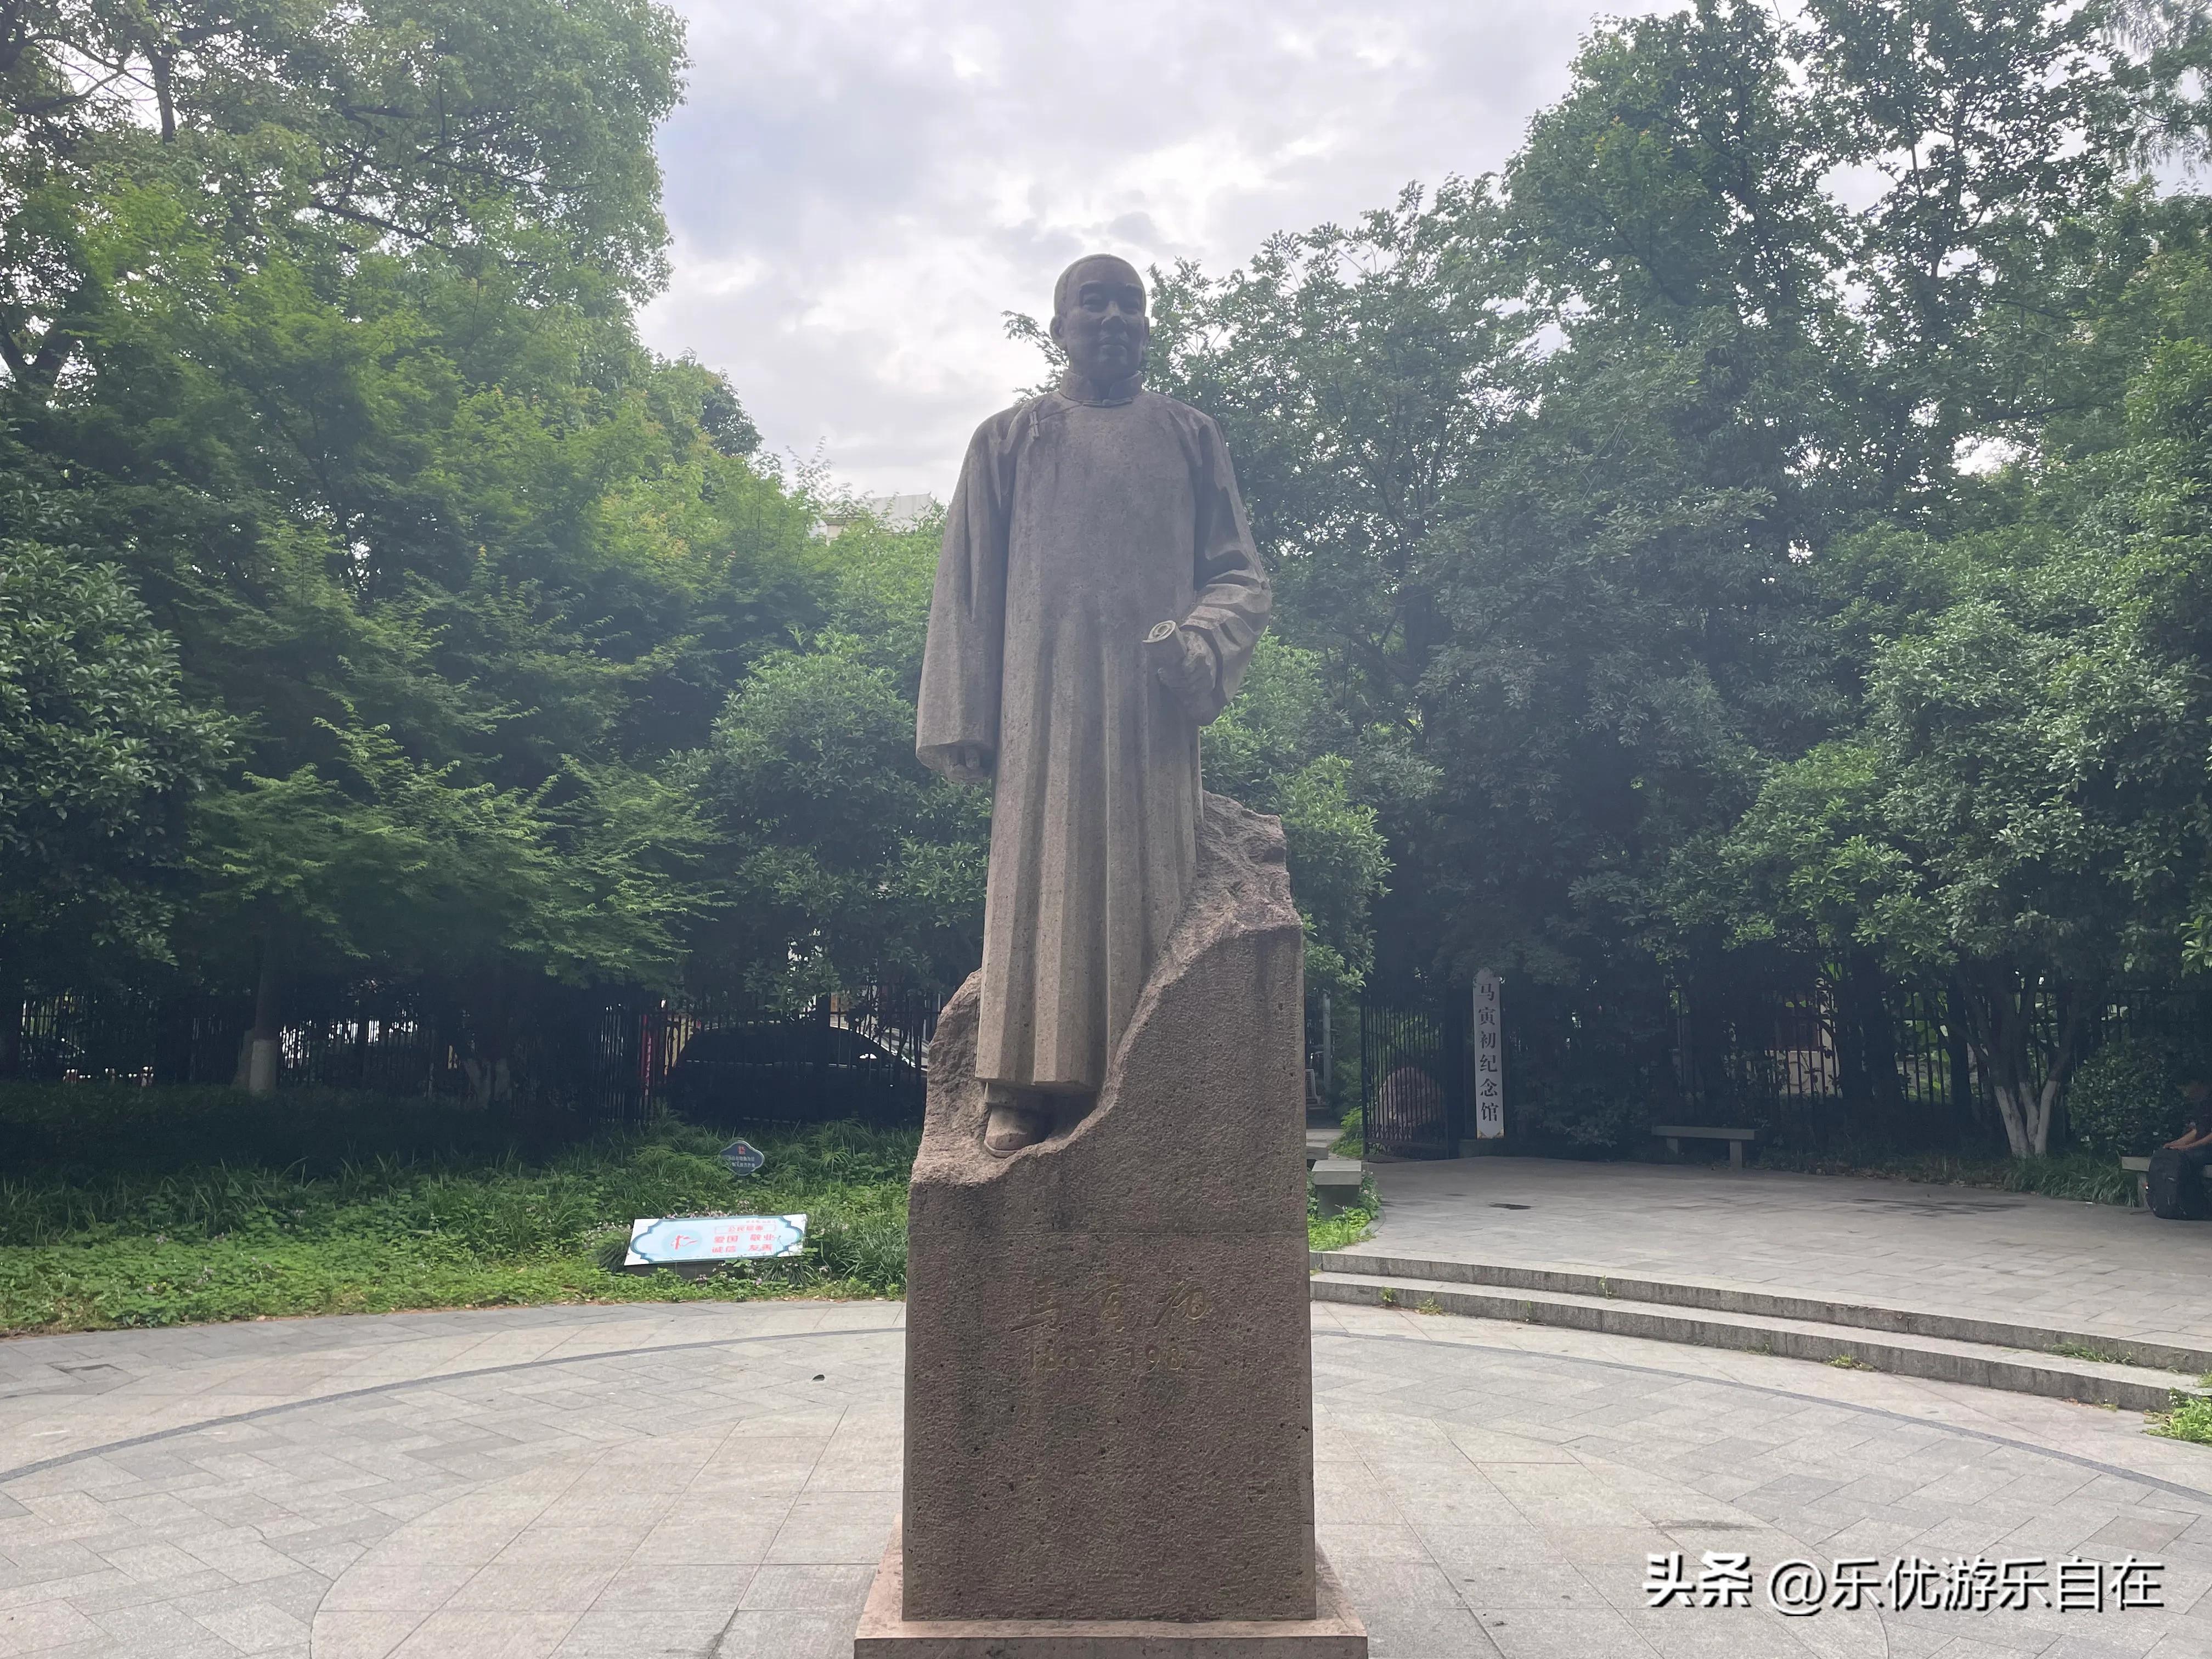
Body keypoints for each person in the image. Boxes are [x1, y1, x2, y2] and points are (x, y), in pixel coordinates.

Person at [915, 254, 1271, 1156]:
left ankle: (1154, 1080)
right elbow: (966, 584)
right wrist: (964, 715)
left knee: (1154, 885)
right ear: (1059, 326)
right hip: (1045, 706)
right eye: (1093, 301)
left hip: (1152, 712)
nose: (1115, 317)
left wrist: (1198, 643)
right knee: (1043, 874)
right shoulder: (1011, 439)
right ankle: (1023, 1089)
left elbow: (1238, 573)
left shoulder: (1190, 436)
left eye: (1131, 303)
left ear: (1149, 326)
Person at [2149, 1080, 2212, 1218]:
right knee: (2173, 1156)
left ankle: (2195, 1204)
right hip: (2203, 1148)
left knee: (2188, 1160)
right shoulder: (2203, 1104)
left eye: (2187, 1088)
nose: (2186, 1093)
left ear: (2197, 1085)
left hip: (2208, 1149)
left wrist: (2187, 1147)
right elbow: (2197, 1132)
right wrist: (2175, 1144)